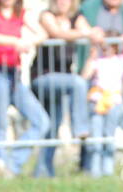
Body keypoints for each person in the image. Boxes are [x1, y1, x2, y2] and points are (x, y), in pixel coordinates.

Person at [0, 0, 50, 176]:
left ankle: (11, 165)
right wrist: (14, 41)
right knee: (0, 123)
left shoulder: (21, 13)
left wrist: (27, 42)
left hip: (14, 75)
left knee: (41, 121)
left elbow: (42, 34)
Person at [33, 0, 93, 177]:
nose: (62, 2)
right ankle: (80, 128)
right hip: (43, 77)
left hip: (63, 81)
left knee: (53, 127)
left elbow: (89, 31)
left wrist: (89, 33)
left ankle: (43, 171)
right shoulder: (46, 15)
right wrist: (85, 33)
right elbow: (57, 33)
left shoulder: (77, 18)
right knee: (78, 83)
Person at [81, 31, 123, 174]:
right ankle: (95, 171)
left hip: (114, 102)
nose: (106, 48)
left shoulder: (121, 60)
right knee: (96, 136)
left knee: (109, 136)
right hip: (97, 102)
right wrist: (91, 57)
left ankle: (107, 170)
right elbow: (84, 76)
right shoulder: (97, 61)